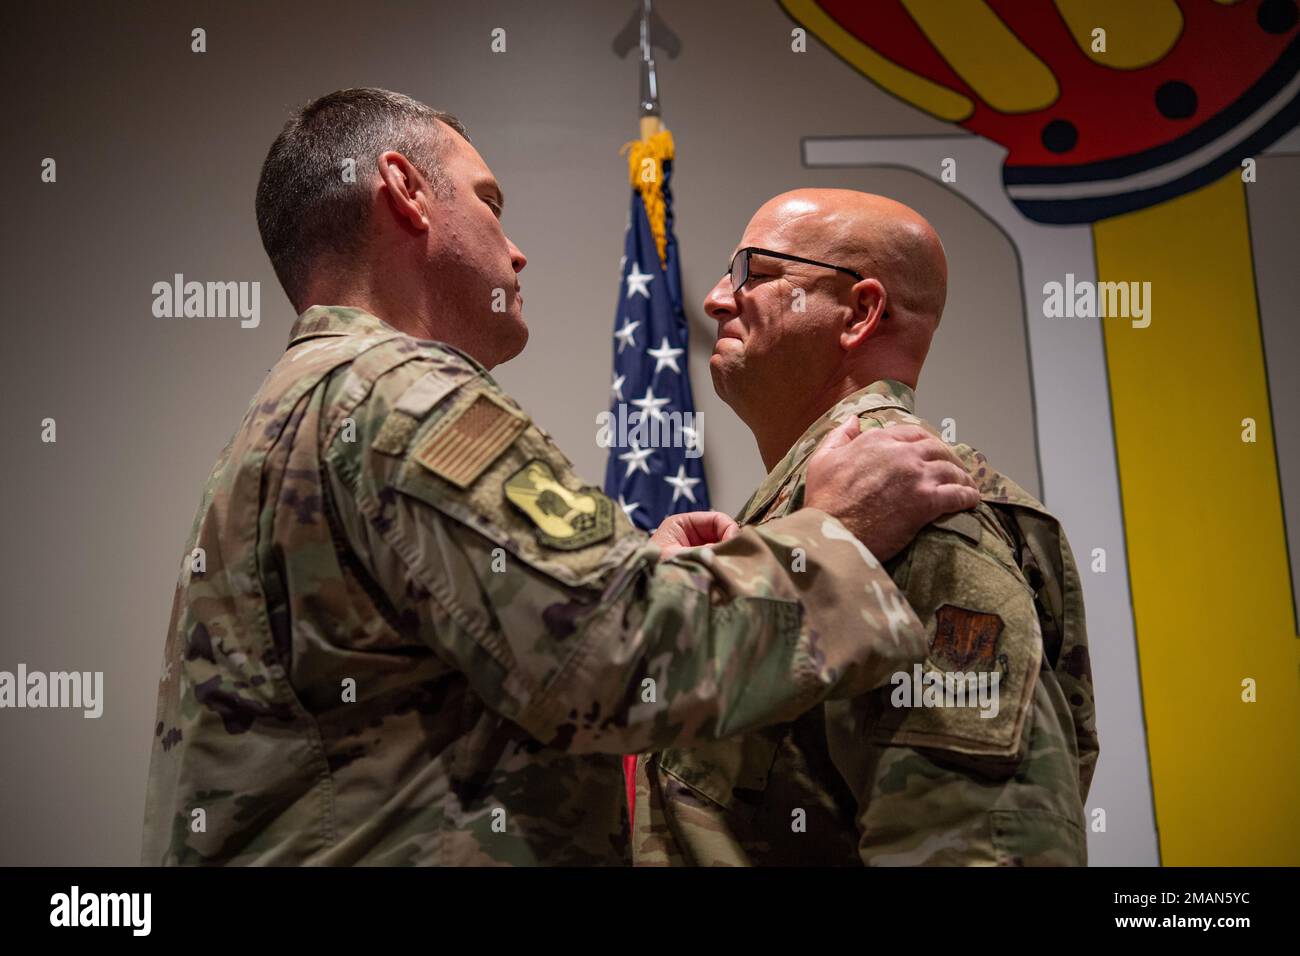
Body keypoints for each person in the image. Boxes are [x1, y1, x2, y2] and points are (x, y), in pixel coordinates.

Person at [141, 91, 980, 866]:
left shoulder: (304, 403)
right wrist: (832, 537)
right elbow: (612, 660)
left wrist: (643, 572)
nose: (517, 247)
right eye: (489, 202)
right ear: (405, 189)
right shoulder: (401, 395)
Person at [633, 189, 1097, 866]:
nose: (714, 299)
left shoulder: (917, 518)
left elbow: (977, 845)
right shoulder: (819, 518)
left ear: (860, 312)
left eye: (755, 274)